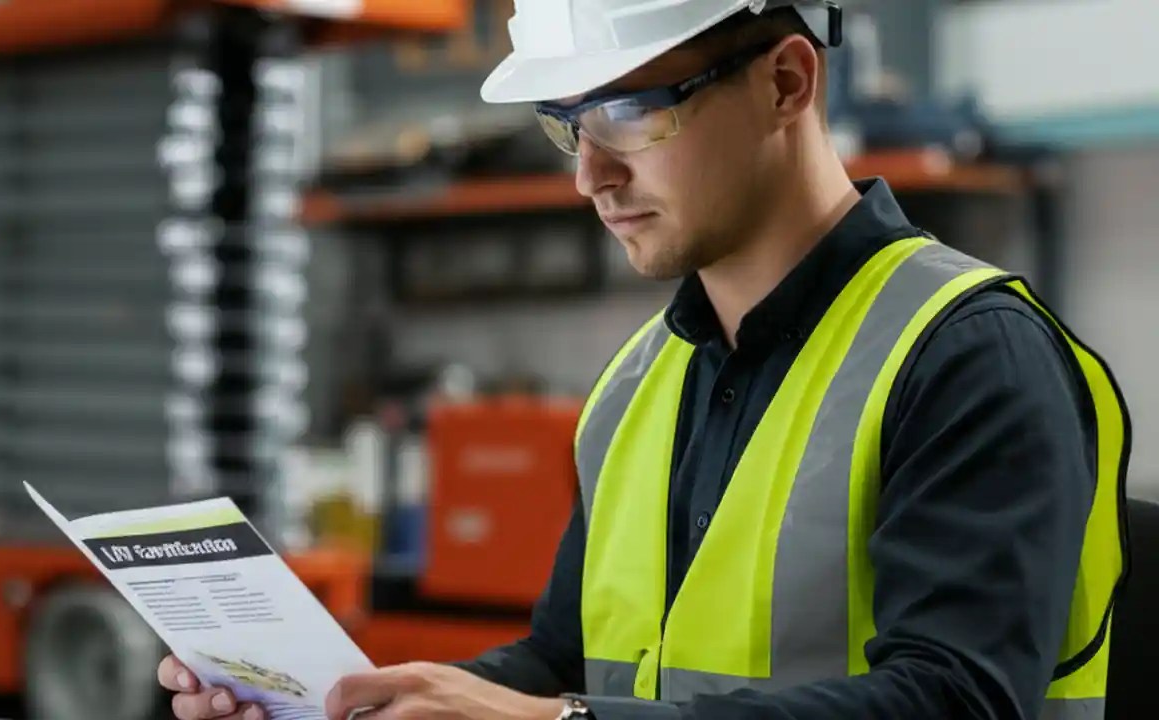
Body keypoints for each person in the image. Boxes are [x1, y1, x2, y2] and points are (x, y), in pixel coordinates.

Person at [160, 1, 1132, 718]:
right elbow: (563, 658)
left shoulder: (967, 356)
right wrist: (362, 701)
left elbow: (953, 699)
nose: (589, 173)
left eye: (629, 110)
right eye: (570, 124)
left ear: (786, 81)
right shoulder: (634, 386)